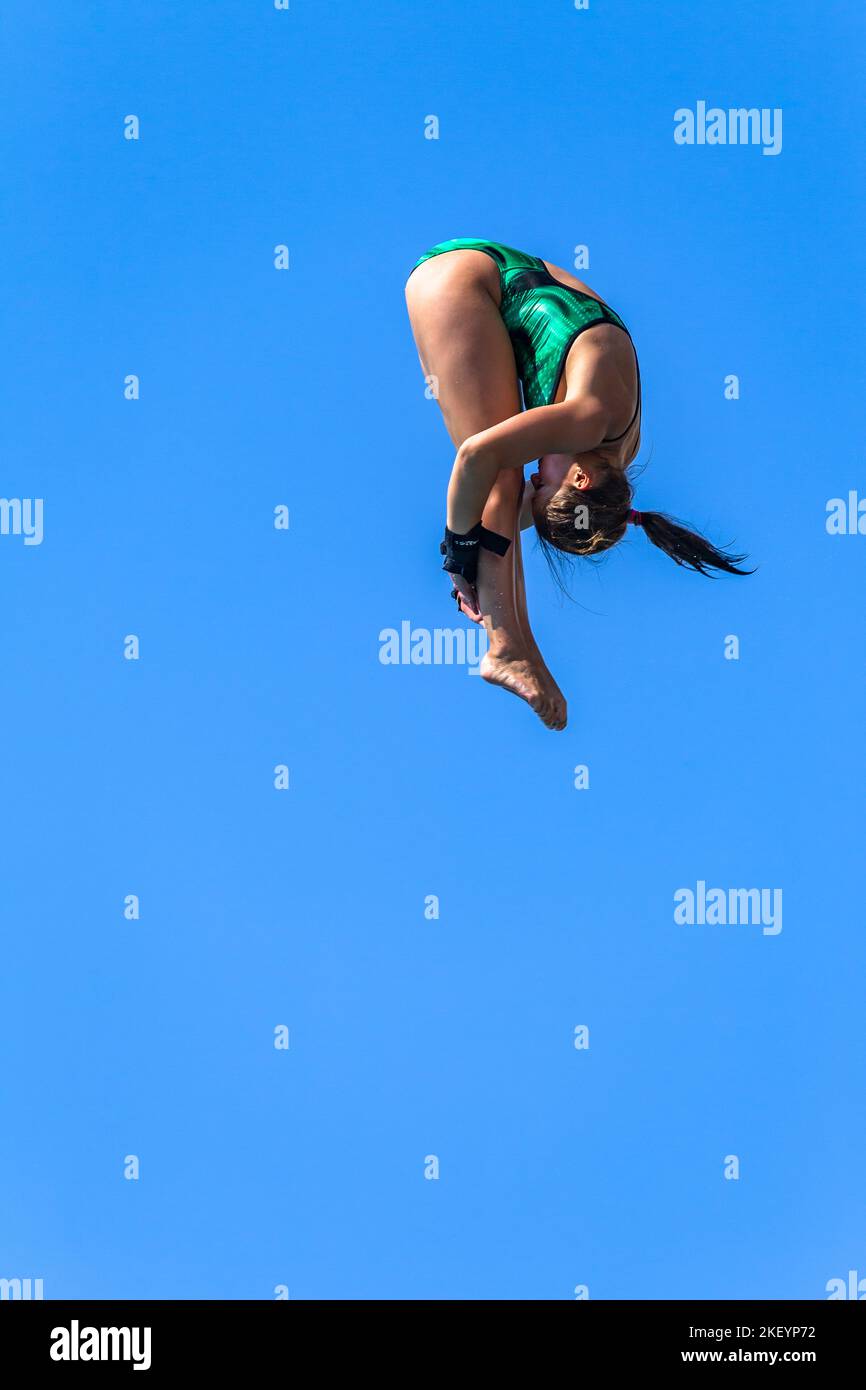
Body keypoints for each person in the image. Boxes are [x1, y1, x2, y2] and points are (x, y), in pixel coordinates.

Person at [405, 238, 750, 730]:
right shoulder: (588, 421)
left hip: (491, 274)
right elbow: (475, 458)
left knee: (501, 486)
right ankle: (506, 646)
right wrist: (458, 551)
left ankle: (520, 647)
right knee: (496, 477)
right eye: (541, 485)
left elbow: (521, 503)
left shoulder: (618, 446)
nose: (534, 478)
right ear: (581, 478)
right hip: (464, 282)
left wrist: (505, 519)